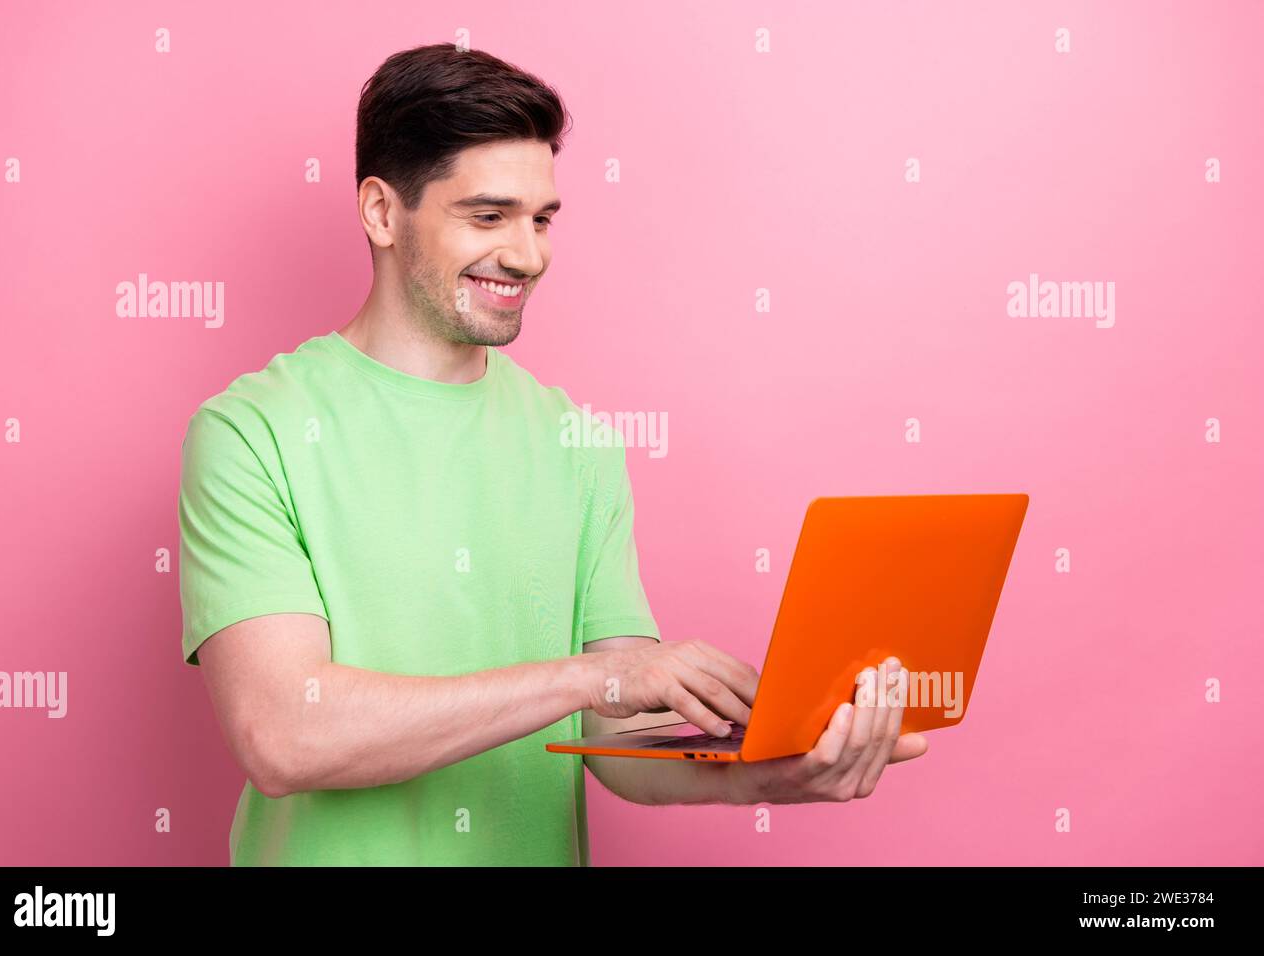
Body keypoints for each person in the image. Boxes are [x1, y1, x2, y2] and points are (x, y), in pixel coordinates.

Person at [177, 42, 927, 866]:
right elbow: (286, 733)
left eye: (542, 219)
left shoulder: (579, 442)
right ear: (383, 213)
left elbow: (614, 739)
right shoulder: (252, 432)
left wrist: (767, 769)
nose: (528, 256)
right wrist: (583, 681)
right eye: (488, 216)